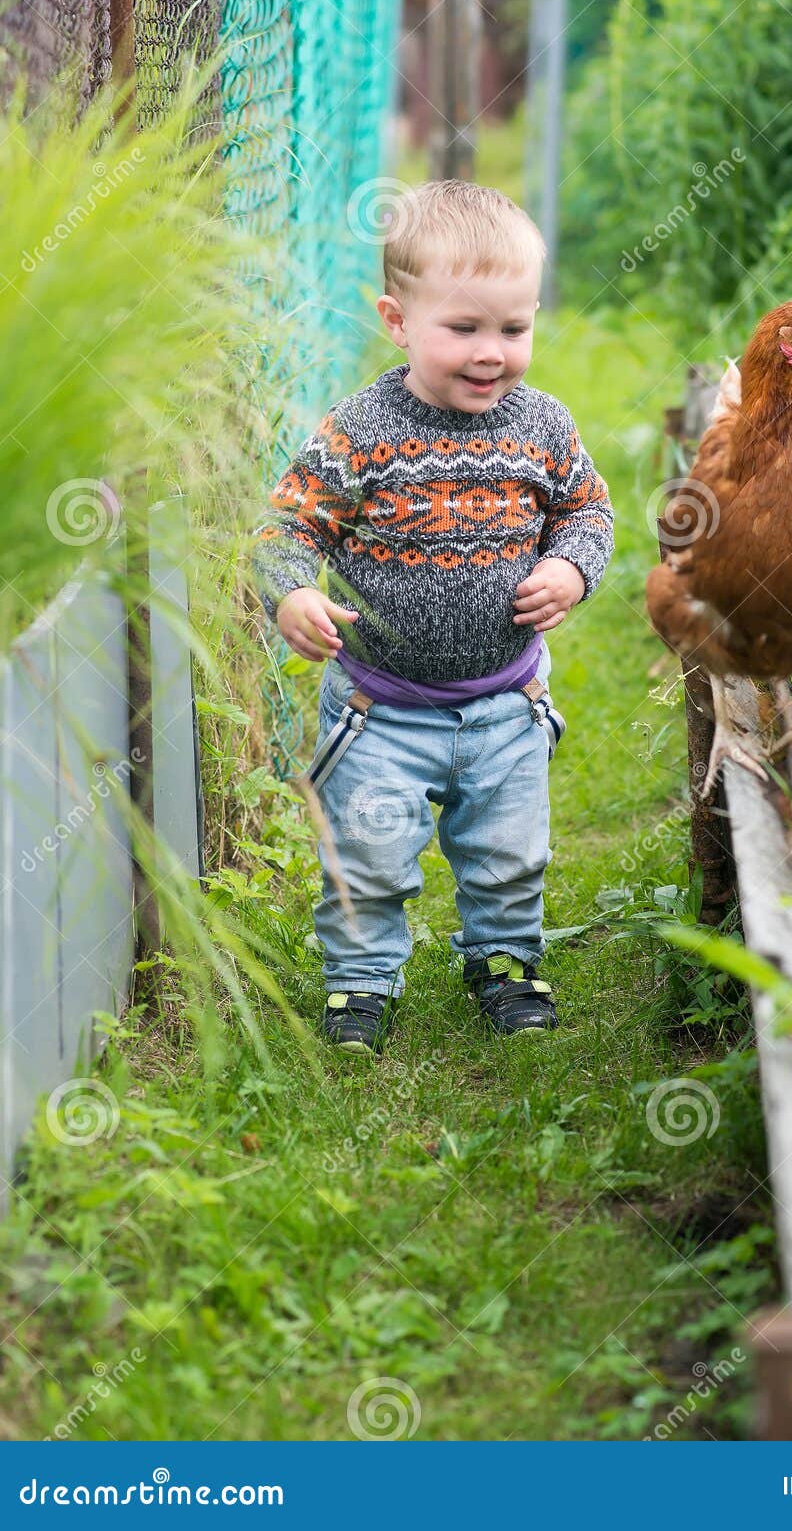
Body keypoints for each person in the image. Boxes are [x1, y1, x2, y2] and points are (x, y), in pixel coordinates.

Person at [250, 180, 614, 1054]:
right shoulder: (361, 433)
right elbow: (286, 526)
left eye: (514, 329)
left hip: (508, 706)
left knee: (507, 853)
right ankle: (361, 983)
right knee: (370, 858)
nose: (493, 353)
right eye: (465, 329)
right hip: (379, 709)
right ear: (397, 319)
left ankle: (504, 961)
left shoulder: (543, 427)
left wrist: (571, 566)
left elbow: (588, 510)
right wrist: (293, 590)